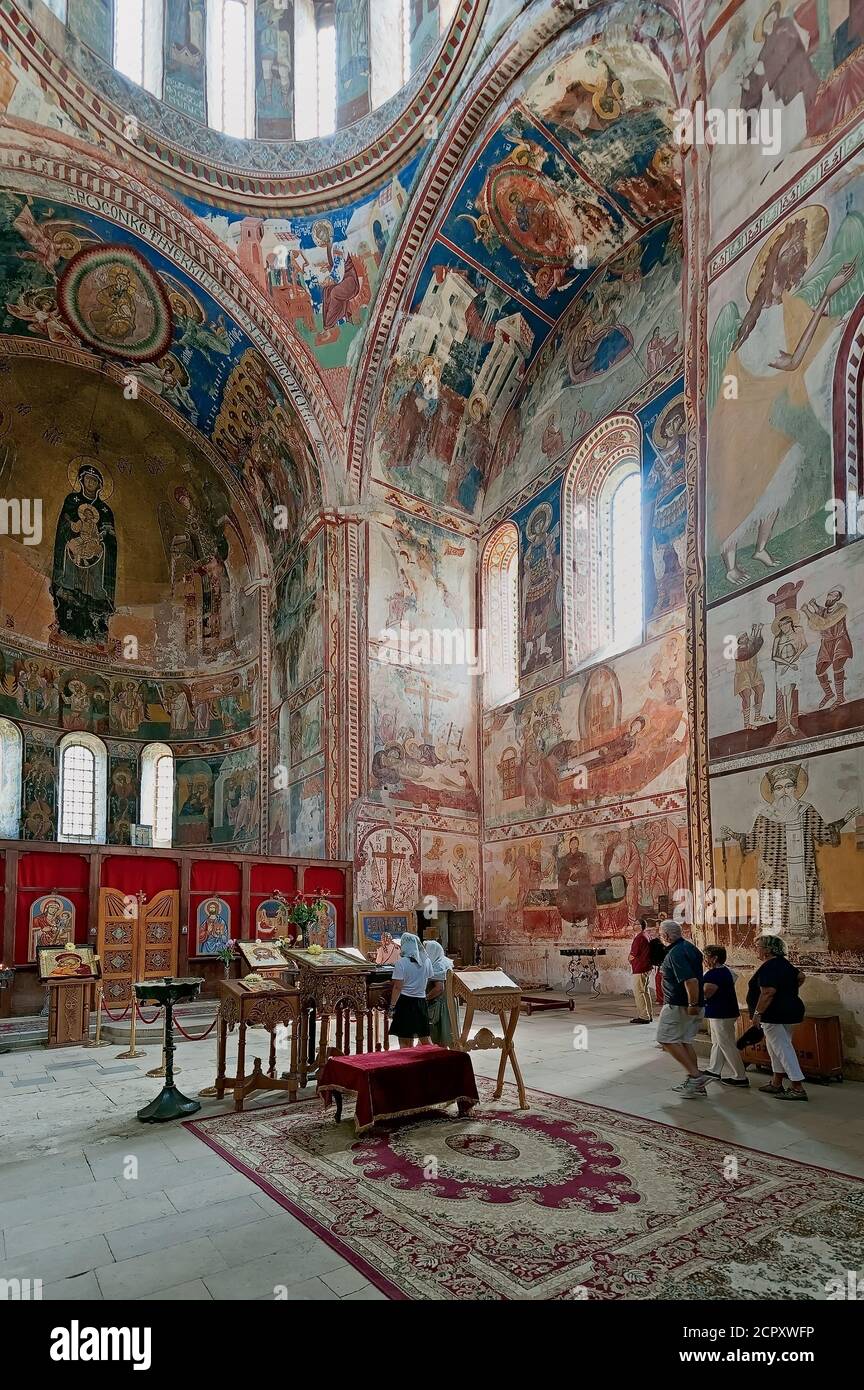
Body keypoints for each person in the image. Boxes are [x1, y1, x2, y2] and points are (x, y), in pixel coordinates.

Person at [746, 934, 807, 1100]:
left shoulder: (769, 966)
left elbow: (768, 992)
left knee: (782, 1048)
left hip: (773, 1013)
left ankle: (797, 1087)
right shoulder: (783, 963)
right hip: (789, 1010)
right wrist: (788, 993)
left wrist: (758, 1013)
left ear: (767, 950)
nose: (756, 950)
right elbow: (801, 976)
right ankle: (776, 1082)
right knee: (776, 1048)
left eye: (758, 946)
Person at [656, 920, 709, 1097]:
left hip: (679, 1006)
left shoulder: (676, 953)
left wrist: (692, 1004)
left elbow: (691, 981)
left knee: (666, 1039)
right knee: (685, 1041)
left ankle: (696, 1077)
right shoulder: (689, 947)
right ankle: (696, 1085)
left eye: (661, 934)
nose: (660, 937)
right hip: (689, 1004)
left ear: (666, 936)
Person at [702, 945, 748, 1087]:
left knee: (726, 1044)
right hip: (723, 1011)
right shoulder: (726, 971)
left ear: (714, 958)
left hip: (721, 1012)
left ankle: (740, 1076)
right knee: (717, 1041)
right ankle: (714, 1069)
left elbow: (707, 993)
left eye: (706, 957)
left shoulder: (714, 974)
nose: (704, 960)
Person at [387, 933, 432, 1048]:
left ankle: (406, 1064)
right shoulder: (426, 961)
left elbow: (397, 987)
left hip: (405, 1002)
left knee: (405, 1041)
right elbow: (427, 979)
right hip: (421, 1002)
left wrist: (392, 1006)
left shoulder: (401, 963)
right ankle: (435, 1062)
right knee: (425, 1038)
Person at [424, 939, 454, 1046]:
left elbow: (439, 988)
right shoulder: (443, 961)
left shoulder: (437, 965)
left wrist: (425, 998)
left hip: (439, 1005)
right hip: (446, 1003)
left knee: (437, 1036)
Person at [628, 918, 655, 1024]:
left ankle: (644, 1016)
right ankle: (649, 1014)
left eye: (636, 924)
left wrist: (629, 958)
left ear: (641, 925)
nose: (634, 926)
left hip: (640, 968)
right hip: (646, 967)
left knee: (639, 992)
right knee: (645, 992)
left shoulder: (639, 938)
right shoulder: (646, 935)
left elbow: (633, 954)